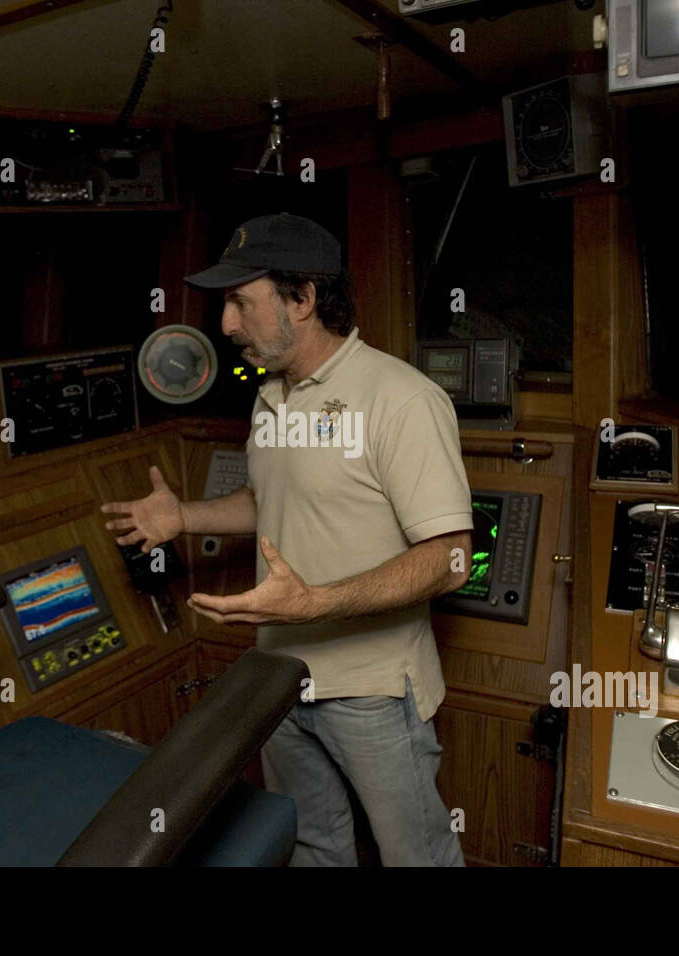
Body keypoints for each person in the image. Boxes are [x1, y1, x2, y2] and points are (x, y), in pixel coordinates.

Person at [102, 213, 474, 866]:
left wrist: (318, 603)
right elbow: (270, 499)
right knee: (310, 848)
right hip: (279, 678)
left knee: (417, 857)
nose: (225, 325)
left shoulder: (401, 400)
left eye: (242, 302)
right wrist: (182, 517)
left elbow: (449, 560)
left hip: (372, 690)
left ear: (302, 299)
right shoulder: (271, 395)